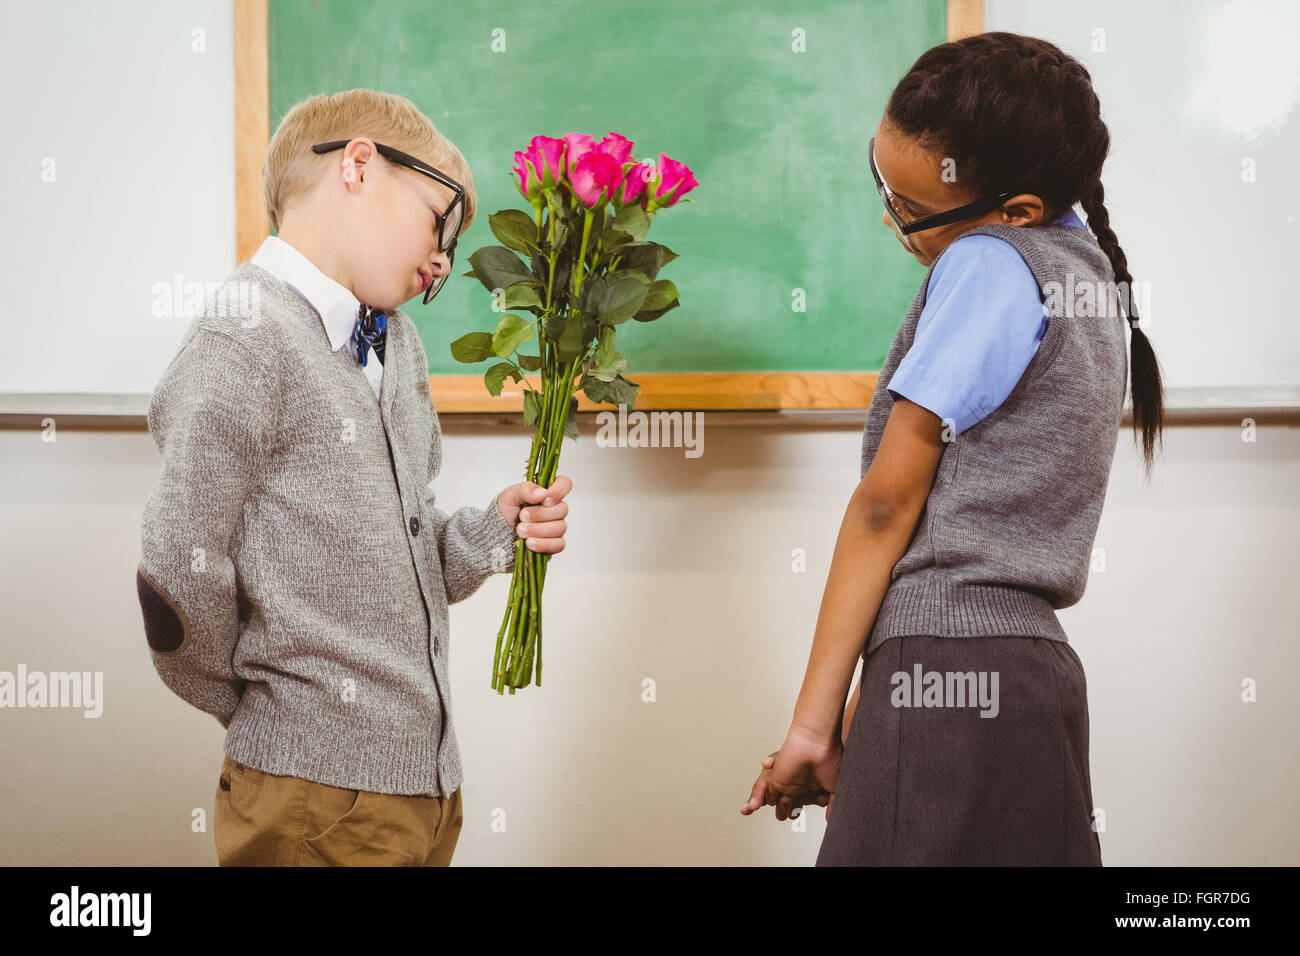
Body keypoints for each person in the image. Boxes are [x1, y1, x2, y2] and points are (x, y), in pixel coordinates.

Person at [740, 31, 1165, 865]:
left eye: (909, 209)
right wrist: (872, 707)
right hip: (1034, 680)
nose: (895, 220)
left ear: (1015, 210)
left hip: (941, 683)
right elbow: (960, 545)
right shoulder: (1087, 277)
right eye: (883, 182)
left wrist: (810, 727)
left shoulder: (988, 260)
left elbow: (887, 506)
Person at [136, 88, 572, 866]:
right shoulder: (245, 335)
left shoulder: (395, 345)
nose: (442, 260)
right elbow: (176, 572)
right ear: (360, 166)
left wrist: (489, 532)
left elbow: (405, 547)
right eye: (441, 222)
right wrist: (273, 715)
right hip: (313, 790)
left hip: (423, 789)